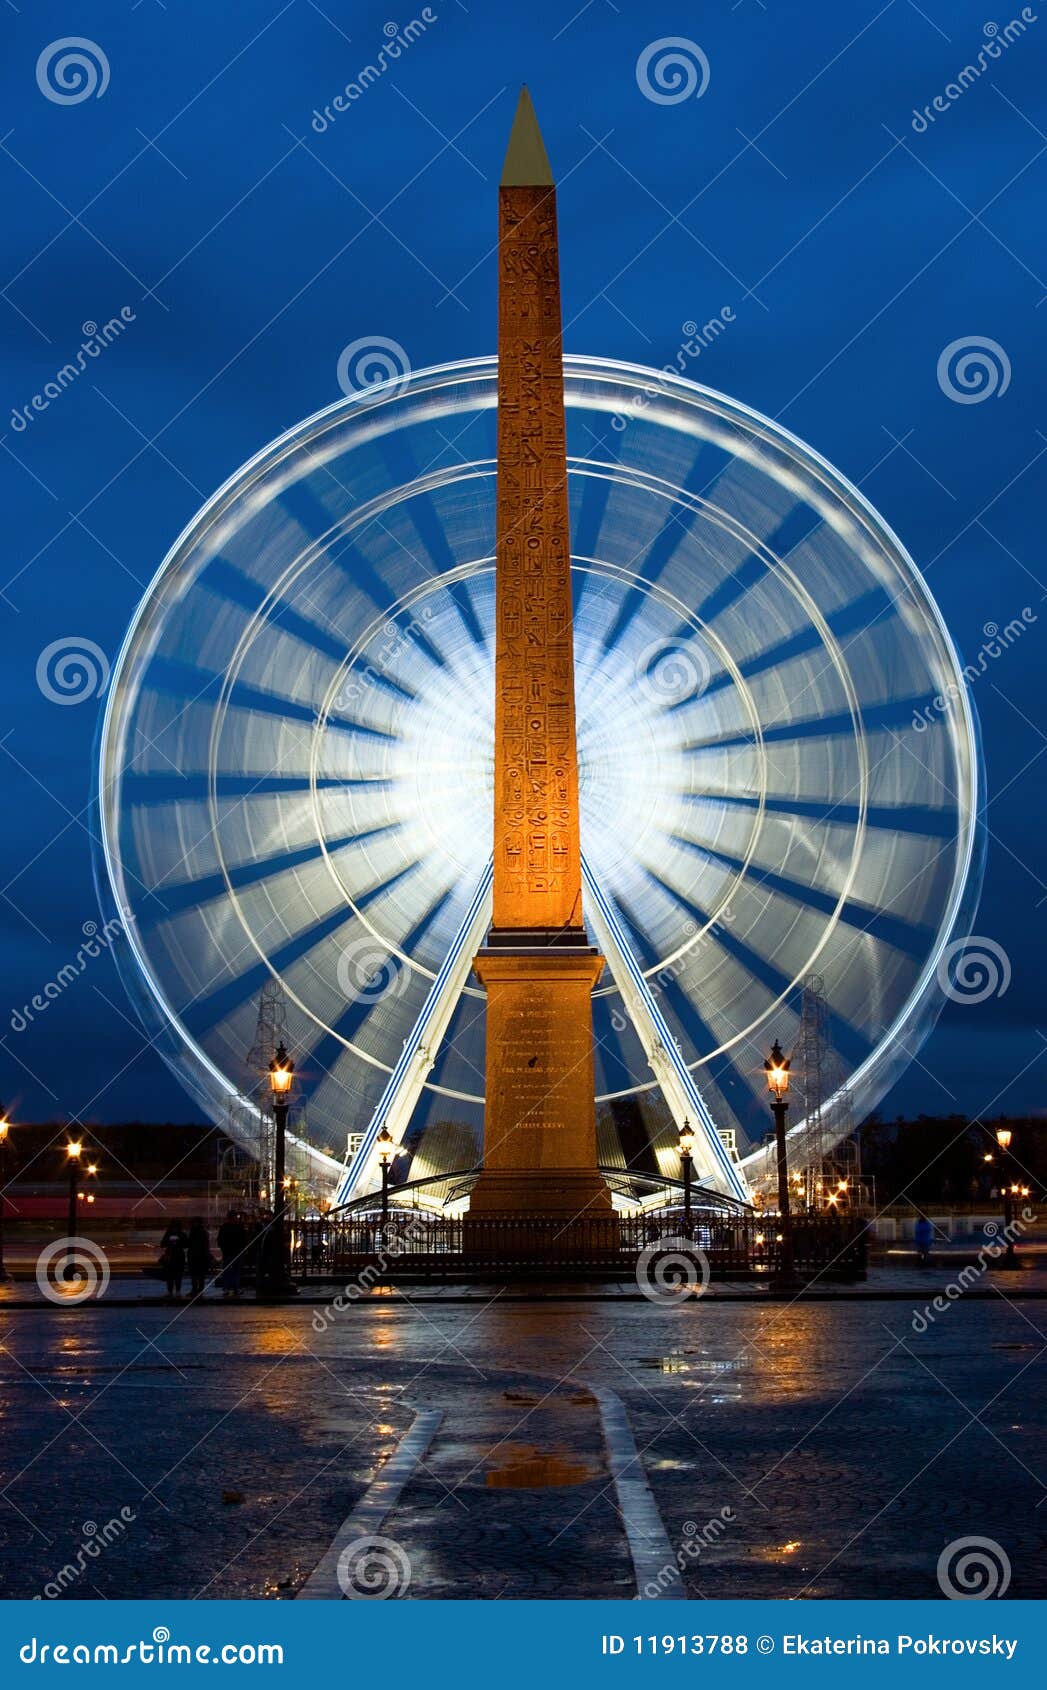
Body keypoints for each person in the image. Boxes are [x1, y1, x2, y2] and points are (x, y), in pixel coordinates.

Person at [216, 1209, 247, 1298]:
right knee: (234, 1271)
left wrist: (224, 1248)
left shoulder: (225, 1227)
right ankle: (234, 1287)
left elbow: (220, 1240)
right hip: (234, 1252)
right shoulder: (238, 1227)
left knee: (229, 1270)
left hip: (229, 1252)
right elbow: (243, 1239)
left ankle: (229, 1288)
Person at [159, 1220, 187, 1300]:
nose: (174, 1228)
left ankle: (174, 1291)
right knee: (172, 1275)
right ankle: (173, 1291)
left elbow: (185, 1244)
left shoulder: (172, 1234)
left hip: (174, 1257)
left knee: (175, 1275)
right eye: (174, 1227)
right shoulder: (180, 1234)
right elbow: (162, 1244)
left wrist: (175, 1242)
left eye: (176, 1227)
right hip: (174, 1257)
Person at [186, 1216, 211, 1298]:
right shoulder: (202, 1232)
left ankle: (196, 1290)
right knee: (199, 1275)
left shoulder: (195, 1232)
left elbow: (204, 1245)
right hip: (198, 1256)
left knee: (197, 1274)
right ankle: (198, 1290)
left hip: (197, 1256)